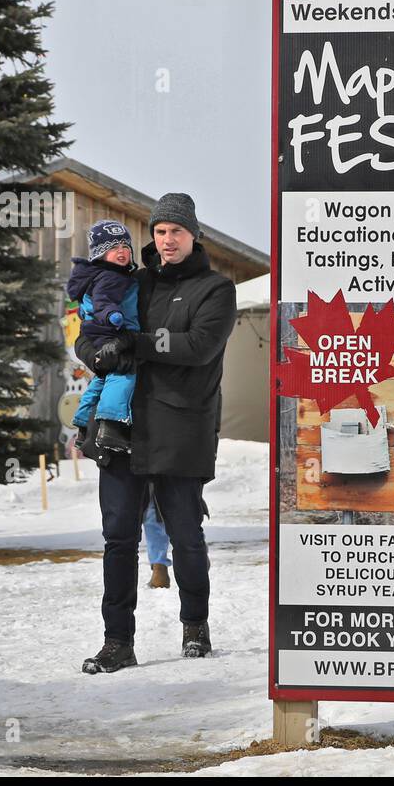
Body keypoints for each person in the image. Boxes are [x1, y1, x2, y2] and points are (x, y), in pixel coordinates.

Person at [75, 192, 237, 673]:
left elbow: (197, 346)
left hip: (182, 427)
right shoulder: (133, 282)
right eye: (161, 232)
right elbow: (90, 329)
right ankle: (118, 641)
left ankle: (195, 626)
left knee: (186, 535)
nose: (167, 241)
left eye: (177, 232)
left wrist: (134, 342)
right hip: (122, 429)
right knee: (118, 539)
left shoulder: (216, 290)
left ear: (194, 236)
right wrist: (94, 353)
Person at [66, 220, 141, 453]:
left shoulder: (102, 274)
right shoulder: (112, 277)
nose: (122, 252)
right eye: (113, 247)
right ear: (100, 253)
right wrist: (113, 317)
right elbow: (103, 302)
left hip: (100, 334)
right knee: (123, 376)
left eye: (125, 247)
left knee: (99, 382)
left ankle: (82, 426)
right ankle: (112, 427)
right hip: (111, 331)